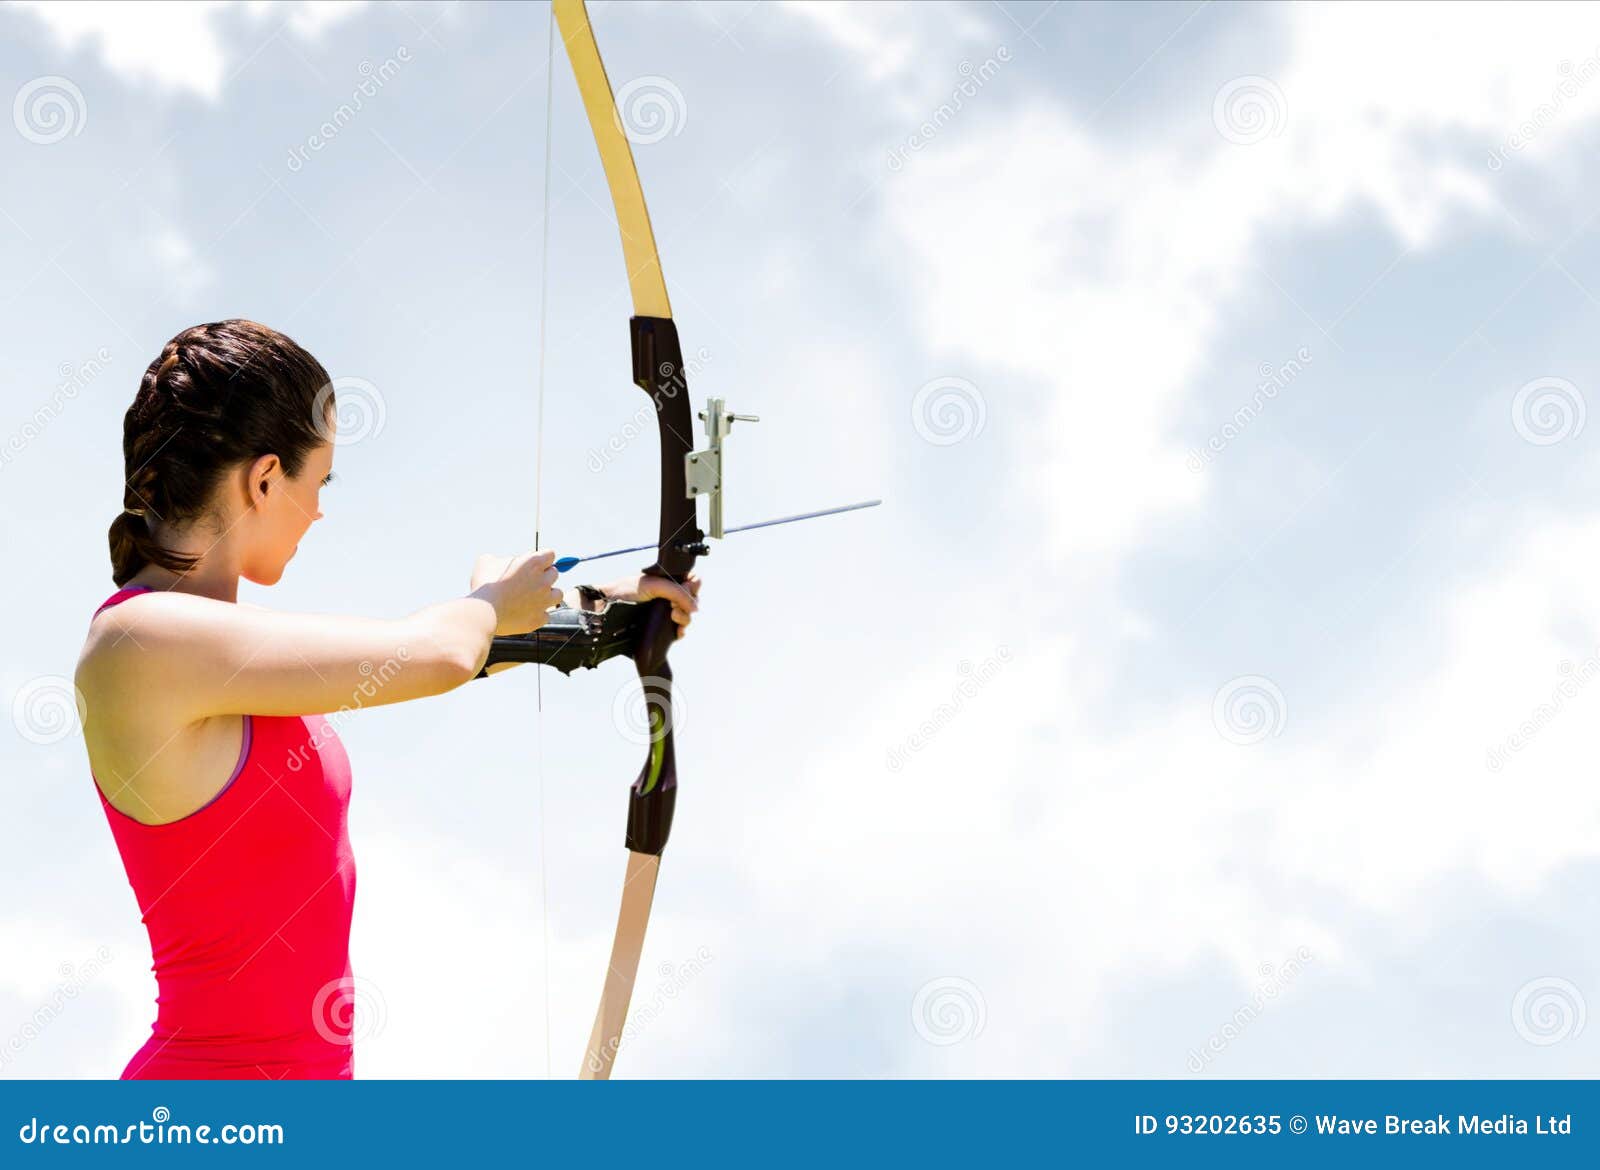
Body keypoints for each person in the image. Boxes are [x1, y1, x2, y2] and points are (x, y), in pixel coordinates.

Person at [75, 319, 698, 1079]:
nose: (319, 512)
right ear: (264, 479)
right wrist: (488, 603)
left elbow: (432, 655)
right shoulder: (136, 645)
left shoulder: (214, 651)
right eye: (318, 483)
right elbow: (436, 652)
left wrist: (609, 611)